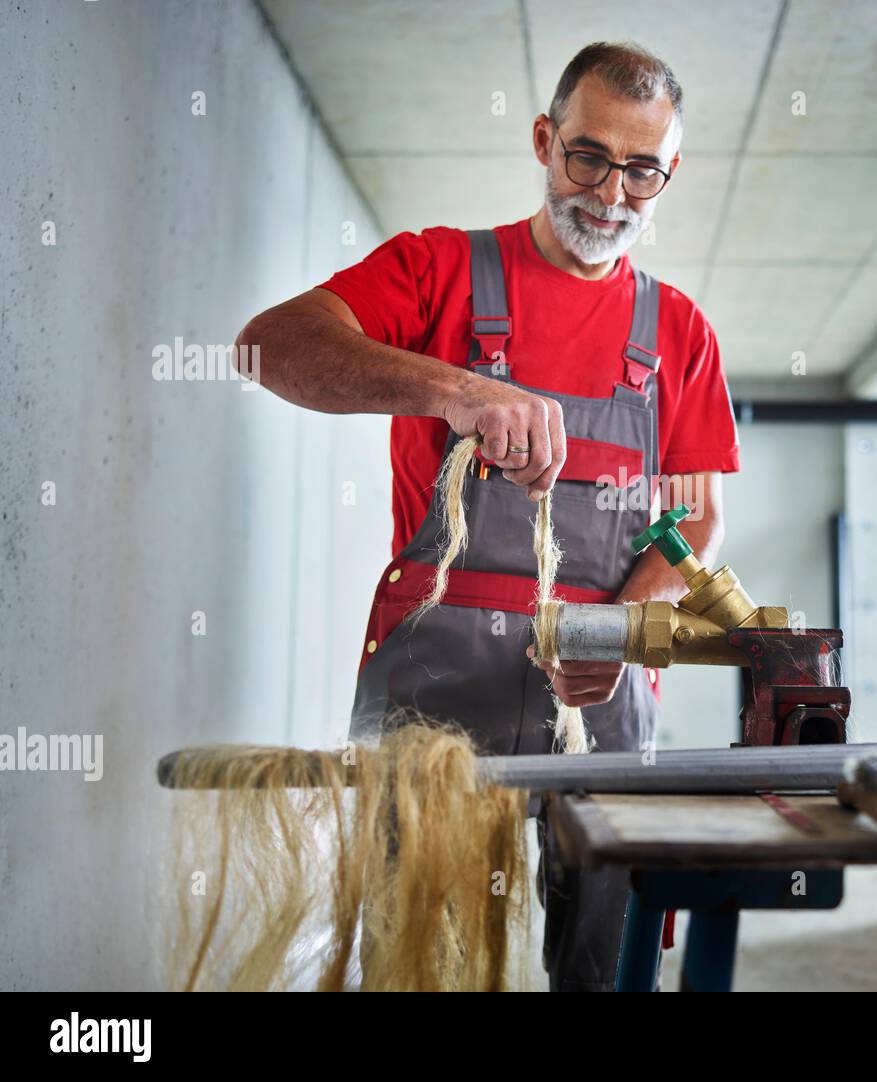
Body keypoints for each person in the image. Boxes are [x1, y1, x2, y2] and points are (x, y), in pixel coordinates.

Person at [237, 41, 740, 991]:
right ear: (546, 141)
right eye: (588, 156)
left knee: (605, 958)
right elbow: (270, 348)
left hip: (597, 688)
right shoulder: (439, 270)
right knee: (413, 952)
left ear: (667, 175)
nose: (610, 195)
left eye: (642, 172)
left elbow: (697, 521)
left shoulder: (680, 332)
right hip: (432, 681)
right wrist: (455, 390)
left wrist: (621, 631)